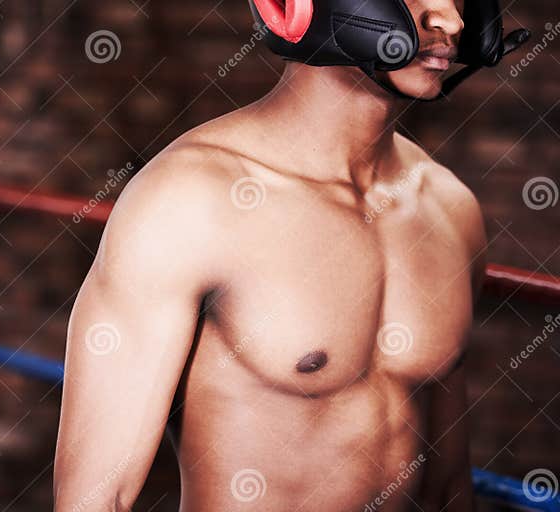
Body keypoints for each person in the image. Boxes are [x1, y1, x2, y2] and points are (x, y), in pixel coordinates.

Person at [54, 1, 527, 510]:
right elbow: (94, 499)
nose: (451, 21)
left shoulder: (447, 206)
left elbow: (447, 487)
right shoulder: (188, 200)